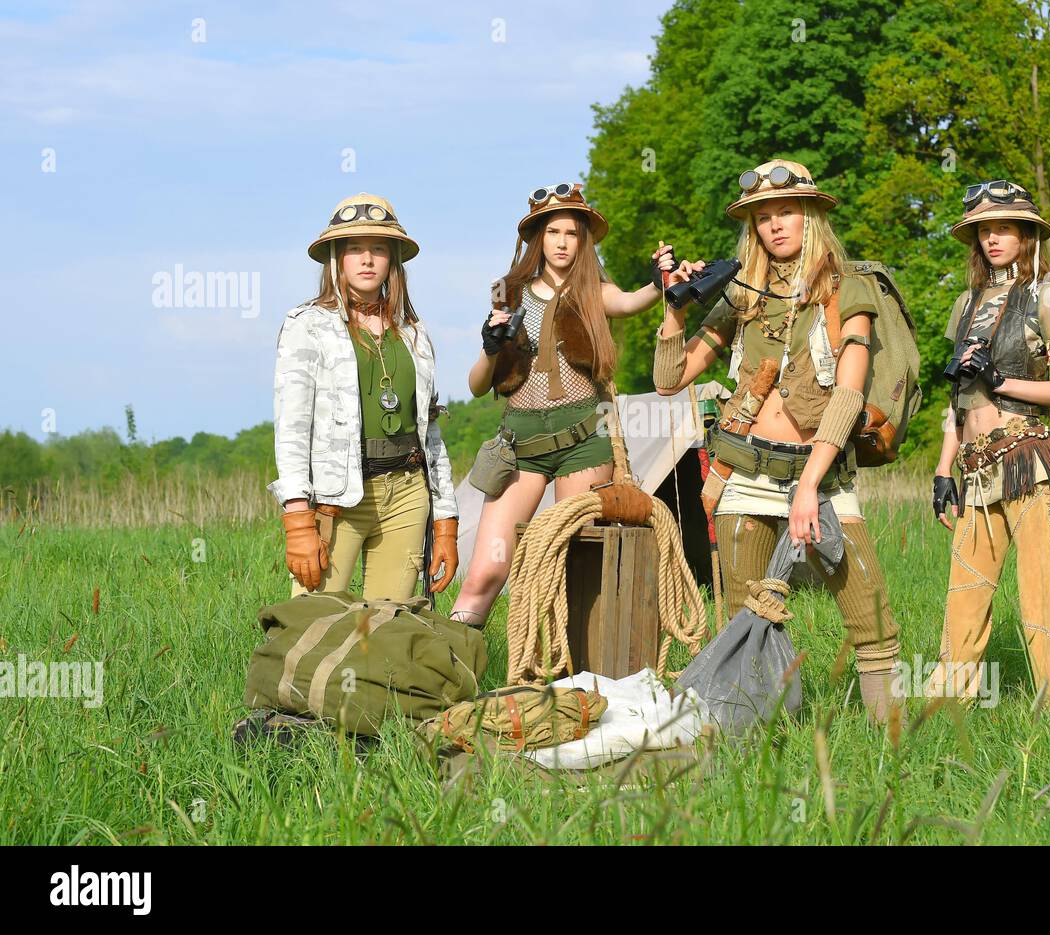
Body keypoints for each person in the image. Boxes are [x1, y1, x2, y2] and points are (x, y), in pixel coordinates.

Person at [653, 159, 901, 722]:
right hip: (746, 475)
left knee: (870, 614)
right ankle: (748, 739)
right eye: (763, 217)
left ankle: (893, 751)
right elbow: (670, 379)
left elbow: (849, 394)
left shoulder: (846, 289)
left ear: (810, 214)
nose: (775, 225)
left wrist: (811, 484)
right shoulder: (741, 297)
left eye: (786, 211)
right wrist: (673, 308)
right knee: (745, 617)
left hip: (821, 478)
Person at [447, 182, 679, 629]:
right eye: (553, 231)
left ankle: (575, 683)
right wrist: (490, 348)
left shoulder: (595, 290)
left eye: (572, 233)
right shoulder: (506, 291)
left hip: (583, 443)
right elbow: (477, 386)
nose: (562, 242)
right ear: (538, 237)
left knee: (573, 568)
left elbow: (630, 302)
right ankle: (451, 671)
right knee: (485, 572)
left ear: (583, 240)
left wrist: (658, 282)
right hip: (521, 442)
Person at [928, 180, 1050, 703]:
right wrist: (941, 470)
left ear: (1025, 234)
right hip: (973, 468)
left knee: (1045, 589)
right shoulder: (964, 303)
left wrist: (1003, 380)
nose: (993, 238)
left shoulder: (1046, 294)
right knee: (965, 595)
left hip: (1025, 457)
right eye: (984, 230)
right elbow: (958, 400)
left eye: (1003, 227)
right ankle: (947, 704)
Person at [268, 193, 458, 601]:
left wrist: (446, 521)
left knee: (389, 631)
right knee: (312, 626)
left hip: (408, 493)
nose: (367, 259)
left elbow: (431, 432)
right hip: (336, 500)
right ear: (337, 257)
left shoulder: (413, 332)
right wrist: (297, 516)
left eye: (378, 249)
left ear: (393, 260)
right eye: (355, 249)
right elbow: (292, 427)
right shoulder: (308, 326)